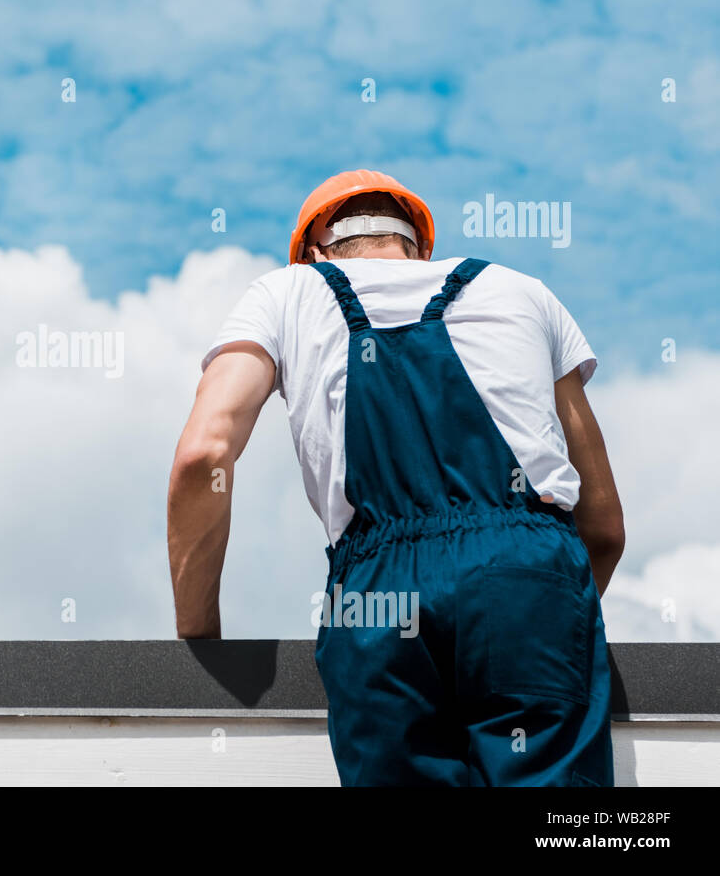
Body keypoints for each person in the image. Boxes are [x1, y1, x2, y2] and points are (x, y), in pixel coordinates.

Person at [167, 169, 623, 786]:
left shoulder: (287, 293)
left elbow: (203, 456)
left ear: (312, 254)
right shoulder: (522, 292)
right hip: (527, 573)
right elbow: (604, 527)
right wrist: (541, 624)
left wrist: (199, 636)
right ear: (419, 250)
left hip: (376, 596)